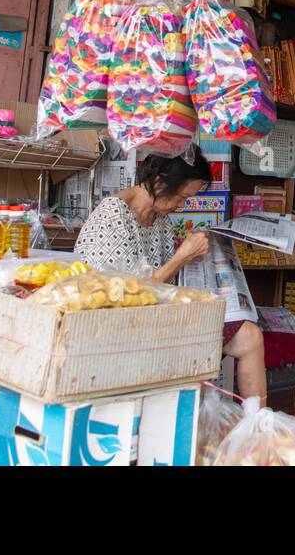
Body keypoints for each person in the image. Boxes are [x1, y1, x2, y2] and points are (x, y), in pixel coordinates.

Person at [75, 148, 267, 402]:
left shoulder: (159, 218)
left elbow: (167, 279)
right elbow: (129, 293)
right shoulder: (112, 215)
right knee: (190, 355)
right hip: (118, 327)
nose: (182, 205)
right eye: (182, 196)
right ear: (159, 182)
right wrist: (182, 257)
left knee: (250, 337)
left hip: (160, 318)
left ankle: (257, 426)